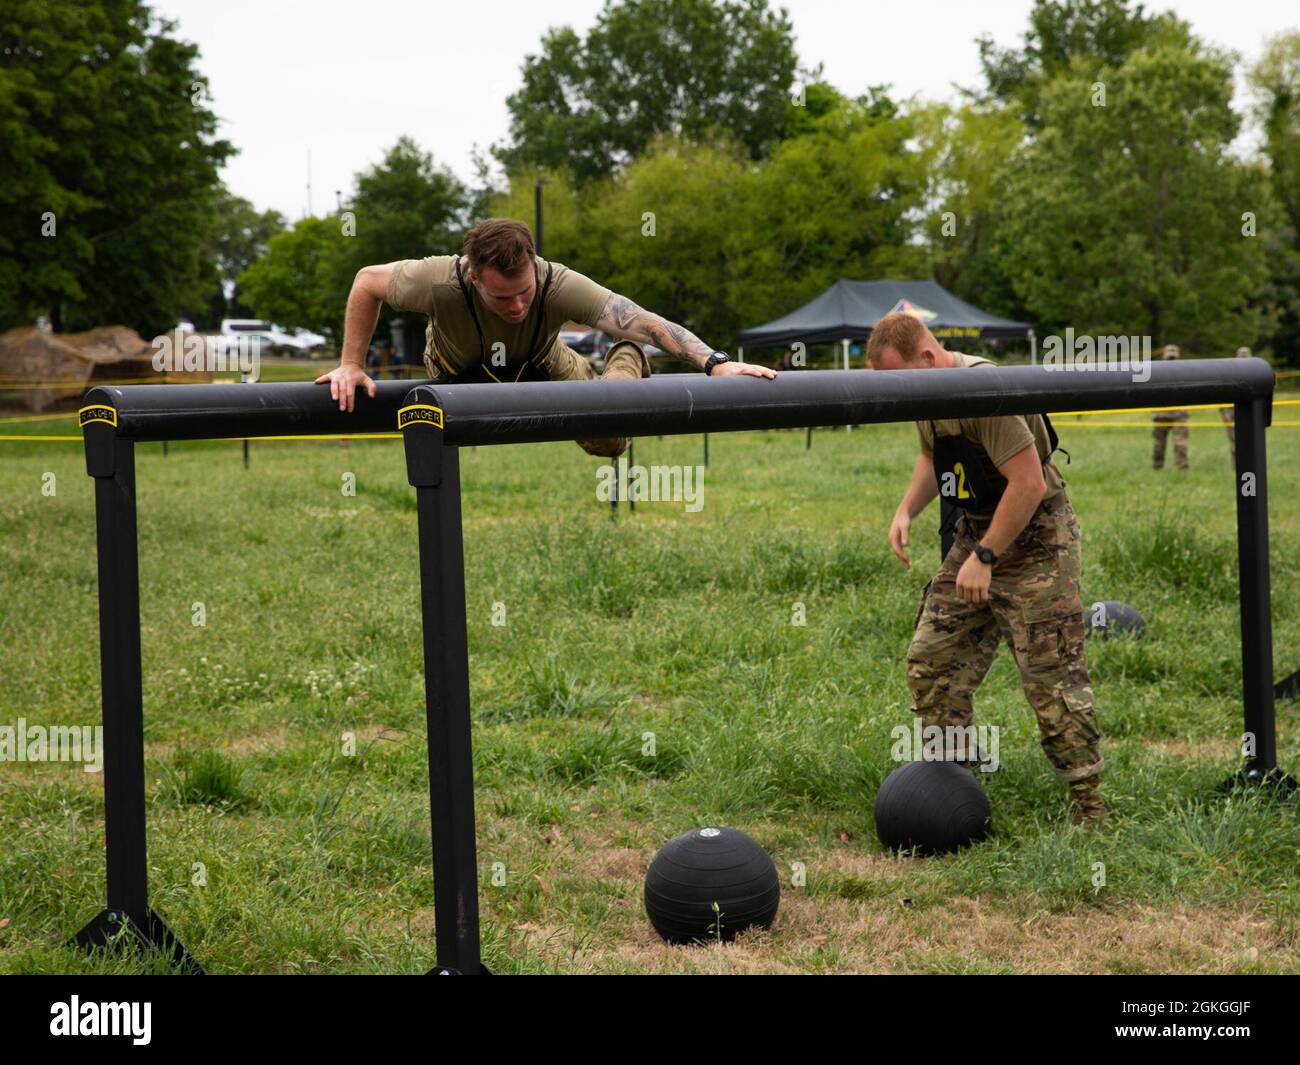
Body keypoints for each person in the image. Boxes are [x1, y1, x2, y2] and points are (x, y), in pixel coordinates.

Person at [866, 312, 1106, 827]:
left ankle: (1091, 808)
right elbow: (933, 456)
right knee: (932, 661)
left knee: (1051, 679)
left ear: (927, 359)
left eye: (902, 381)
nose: (900, 396)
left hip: (1036, 538)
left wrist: (987, 558)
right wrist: (906, 509)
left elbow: (1028, 484)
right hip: (976, 531)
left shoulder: (983, 389)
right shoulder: (927, 393)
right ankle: (952, 789)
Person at [316, 218, 775, 454]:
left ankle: (625, 360)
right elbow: (366, 281)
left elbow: (642, 318)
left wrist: (717, 363)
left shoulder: (558, 283)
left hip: (543, 364)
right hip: (457, 373)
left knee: (609, 441)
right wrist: (352, 364)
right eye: (502, 298)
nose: (517, 307)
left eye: (524, 294)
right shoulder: (437, 280)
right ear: (475, 278)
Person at [1152, 344, 1189, 471]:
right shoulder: (1155, 371)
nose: (1171, 360)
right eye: (1169, 358)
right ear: (1164, 356)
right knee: (1159, 445)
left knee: (1181, 444)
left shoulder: (1186, 371)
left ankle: (1183, 470)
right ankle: (1157, 469)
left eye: (1173, 358)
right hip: (1161, 414)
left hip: (1179, 414)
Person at [1220, 346, 1252, 460]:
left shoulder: (1255, 372)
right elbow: (1223, 395)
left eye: (1245, 358)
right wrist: (1225, 414)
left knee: (1252, 442)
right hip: (1233, 413)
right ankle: (1238, 467)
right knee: (1236, 442)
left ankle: (1252, 465)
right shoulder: (1230, 373)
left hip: (1250, 412)